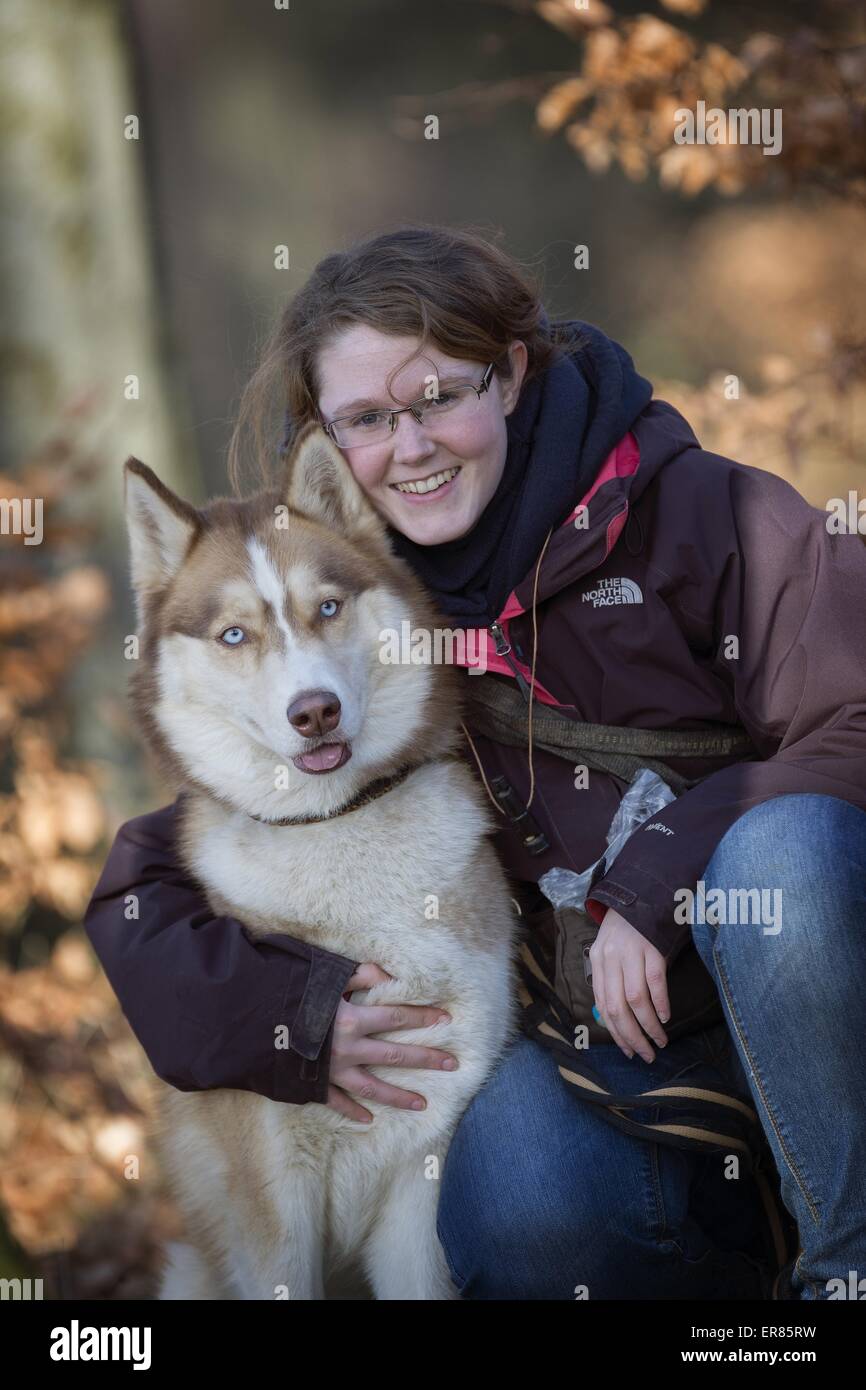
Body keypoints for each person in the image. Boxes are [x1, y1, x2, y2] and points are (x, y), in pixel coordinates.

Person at [84, 222, 866, 1301]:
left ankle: (842, 1276)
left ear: (508, 373)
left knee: (785, 851)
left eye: (438, 396)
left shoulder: (699, 512)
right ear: (327, 439)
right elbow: (153, 888)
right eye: (364, 418)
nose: (408, 447)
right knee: (508, 1200)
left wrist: (655, 877)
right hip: (613, 1063)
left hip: (800, 998)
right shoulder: (350, 596)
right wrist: (298, 1023)